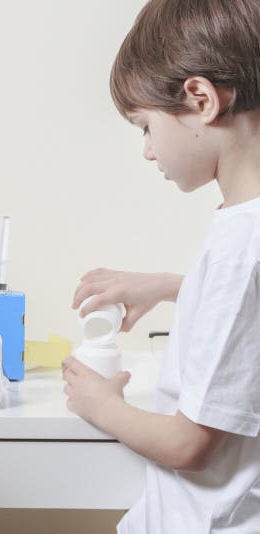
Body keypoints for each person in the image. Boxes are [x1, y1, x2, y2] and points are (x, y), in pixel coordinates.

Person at [63, 0, 260, 532]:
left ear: (200, 100)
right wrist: (172, 286)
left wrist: (99, 403)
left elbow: (188, 444)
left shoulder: (243, 245)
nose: (148, 151)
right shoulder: (245, 229)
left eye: (146, 126)